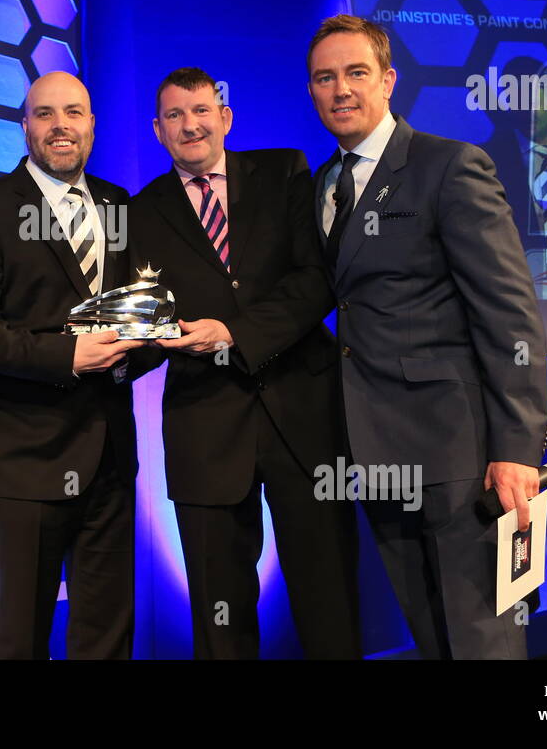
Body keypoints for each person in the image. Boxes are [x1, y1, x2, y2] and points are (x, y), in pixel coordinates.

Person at [307, 14, 547, 659]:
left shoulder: (450, 166)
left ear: (389, 80)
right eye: (325, 78)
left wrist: (518, 449)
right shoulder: (324, 186)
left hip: (460, 454)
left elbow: (510, 315)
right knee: (432, 639)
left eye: (356, 73)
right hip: (378, 455)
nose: (341, 90)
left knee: (485, 643)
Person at [128, 67, 360, 659]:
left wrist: (234, 332)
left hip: (304, 418)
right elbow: (145, 319)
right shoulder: (141, 212)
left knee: (328, 596)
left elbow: (317, 282)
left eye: (201, 110)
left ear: (224, 117)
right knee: (218, 612)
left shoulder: (285, 172)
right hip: (205, 425)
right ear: (158, 131)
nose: (190, 125)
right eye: (175, 116)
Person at [0, 70, 146, 659]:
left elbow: (141, 317)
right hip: (23, 456)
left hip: (110, 453)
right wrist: (70, 355)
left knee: (108, 631)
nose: (61, 126)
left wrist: (142, 346)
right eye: (45, 114)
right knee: (21, 630)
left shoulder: (119, 205)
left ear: (91, 124)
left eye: (74, 113)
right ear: (25, 126)